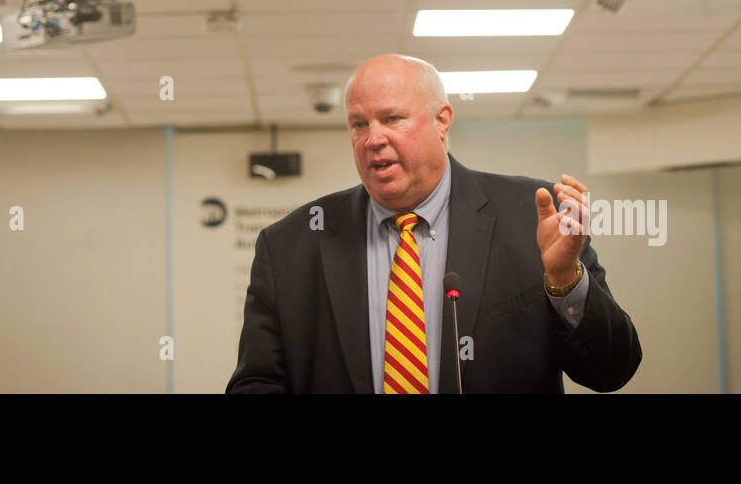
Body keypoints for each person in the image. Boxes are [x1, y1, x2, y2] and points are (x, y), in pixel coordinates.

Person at [226, 53, 642, 393]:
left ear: (442, 120)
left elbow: (611, 371)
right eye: (358, 124)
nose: (373, 139)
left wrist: (565, 278)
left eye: (392, 119)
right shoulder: (290, 246)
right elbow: (256, 383)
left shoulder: (533, 215)